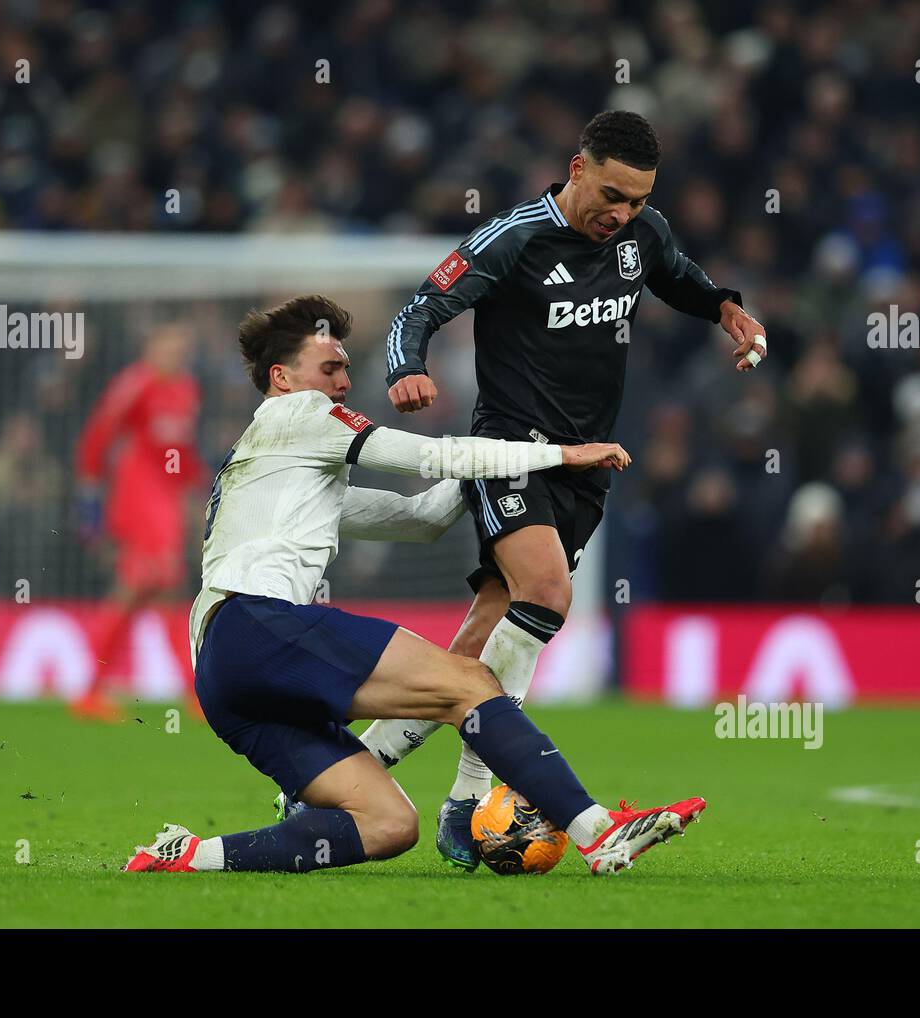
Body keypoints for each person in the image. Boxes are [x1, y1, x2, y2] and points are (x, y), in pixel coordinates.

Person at [122, 295, 706, 876]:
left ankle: (192, 856)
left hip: (224, 677)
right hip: (258, 624)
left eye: (347, 369)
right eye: (331, 369)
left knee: (388, 825)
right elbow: (433, 457)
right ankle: (599, 833)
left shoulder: (274, 466)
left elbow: (422, 518)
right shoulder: (299, 415)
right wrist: (557, 453)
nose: (345, 382)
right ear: (283, 378)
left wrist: (512, 464)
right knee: (468, 683)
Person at [356, 109, 765, 868]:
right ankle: (472, 795)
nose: (624, 214)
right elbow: (422, 306)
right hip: (508, 450)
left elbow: (679, 277)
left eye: (639, 200)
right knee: (545, 591)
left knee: (486, 628)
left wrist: (724, 307)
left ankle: (364, 769)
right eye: (613, 194)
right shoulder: (514, 238)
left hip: (586, 465)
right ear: (578, 168)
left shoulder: (642, 236)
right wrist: (405, 367)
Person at [72, 323, 206, 722]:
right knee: (153, 586)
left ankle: (93, 690)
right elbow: (98, 435)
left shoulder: (186, 390)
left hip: (166, 499)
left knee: (151, 591)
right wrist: (89, 493)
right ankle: (190, 693)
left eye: (183, 347)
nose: (177, 353)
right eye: (170, 344)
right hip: (137, 494)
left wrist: (198, 488)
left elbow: (181, 450)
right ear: (151, 345)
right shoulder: (135, 383)